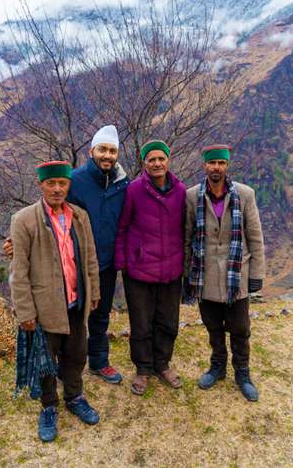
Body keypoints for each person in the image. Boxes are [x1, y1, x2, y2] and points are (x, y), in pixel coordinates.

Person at [5, 125, 128, 384]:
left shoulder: (122, 183)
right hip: (72, 264)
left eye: (112, 151)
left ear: (117, 154)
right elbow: (48, 210)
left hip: (104, 263)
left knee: (100, 315)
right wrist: (16, 243)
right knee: (68, 315)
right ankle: (64, 366)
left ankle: (99, 361)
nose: (107, 155)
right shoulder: (75, 179)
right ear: (91, 151)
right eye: (102, 149)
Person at [10, 161, 101, 442]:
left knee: (76, 355)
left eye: (62, 183)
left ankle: (74, 397)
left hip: (76, 302)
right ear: (40, 185)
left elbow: (89, 259)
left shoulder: (79, 216)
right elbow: (19, 271)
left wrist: (94, 293)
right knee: (45, 362)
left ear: (68, 185)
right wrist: (25, 311)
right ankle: (49, 405)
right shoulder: (24, 220)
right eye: (51, 183)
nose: (57, 189)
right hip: (45, 305)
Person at [183, 145, 265, 402]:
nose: (216, 167)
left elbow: (255, 237)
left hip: (236, 275)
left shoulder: (244, 194)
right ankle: (218, 366)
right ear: (204, 166)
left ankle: (242, 371)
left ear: (227, 165)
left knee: (240, 327)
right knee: (212, 325)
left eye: (221, 162)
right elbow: (187, 238)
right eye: (212, 163)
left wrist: (257, 276)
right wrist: (187, 275)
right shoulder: (192, 196)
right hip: (204, 275)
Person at [114, 140, 185, 395]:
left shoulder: (180, 191)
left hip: (170, 271)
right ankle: (143, 369)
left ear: (168, 160)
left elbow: (184, 230)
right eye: (151, 159)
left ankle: (162, 365)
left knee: (168, 322)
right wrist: (122, 264)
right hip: (139, 271)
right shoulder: (133, 190)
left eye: (161, 158)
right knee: (141, 325)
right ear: (144, 163)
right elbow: (122, 228)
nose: (157, 163)